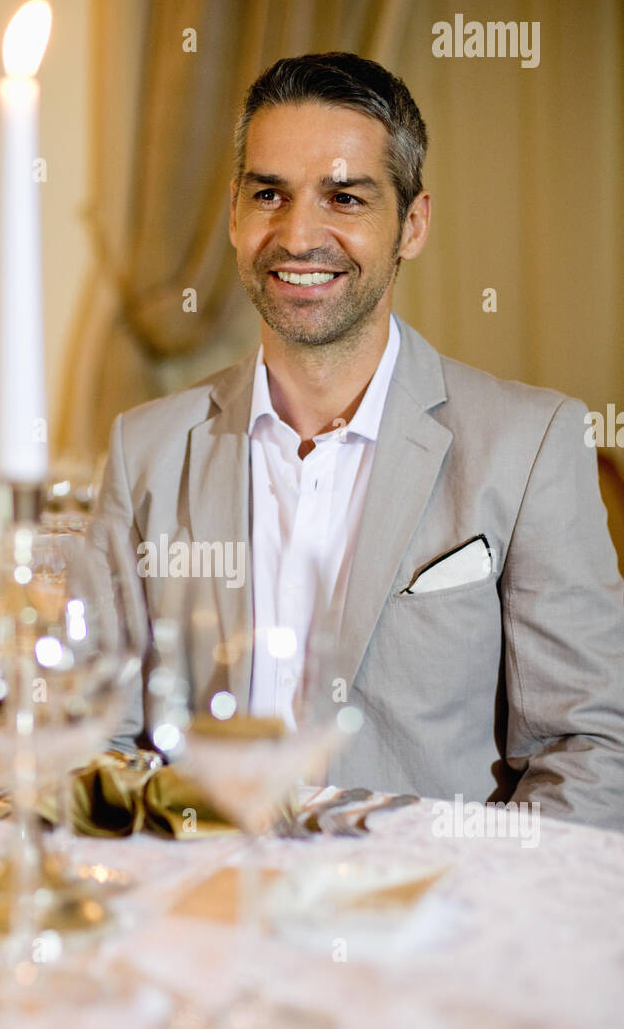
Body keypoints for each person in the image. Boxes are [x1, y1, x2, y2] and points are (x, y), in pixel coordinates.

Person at [99, 51, 624, 830]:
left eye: (344, 197)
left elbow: (590, 744)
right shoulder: (145, 447)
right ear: (235, 217)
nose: (298, 233)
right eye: (269, 194)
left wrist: (478, 912)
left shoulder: (531, 441)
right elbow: (95, 728)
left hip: (426, 915)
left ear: (411, 226)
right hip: (200, 906)